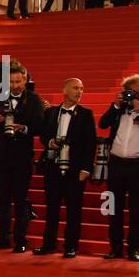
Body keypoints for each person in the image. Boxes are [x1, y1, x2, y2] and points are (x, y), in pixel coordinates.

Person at [0, 62, 43, 253]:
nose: (15, 85)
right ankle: (3, 238)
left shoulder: (34, 100)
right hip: (2, 155)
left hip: (22, 156)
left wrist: (23, 128)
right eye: (11, 82)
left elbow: (39, 125)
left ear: (25, 80)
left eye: (18, 81)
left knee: (20, 199)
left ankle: (21, 240)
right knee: (3, 199)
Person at [98, 74, 139, 261]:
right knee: (113, 206)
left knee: (136, 208)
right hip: (115, 163)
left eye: (136, 92)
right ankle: (115, 247)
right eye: (128, 91)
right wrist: (116, 105)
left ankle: (134, 248)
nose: (131, 95)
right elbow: (102, 124)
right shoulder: (118, 108)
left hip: (138, 165)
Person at [34, 79, 95, 259]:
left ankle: (71, 246)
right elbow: (44, 135)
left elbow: (90, 143)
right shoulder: (51, 112)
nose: (79, 91)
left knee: (74, 209)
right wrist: (49, 142)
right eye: (76, 88)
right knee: (52, 208)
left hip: (75, 170)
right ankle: (48, 244)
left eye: (82, 89)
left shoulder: (85, 114)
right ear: (65, 90)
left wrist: (86, 168)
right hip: (53, 167)